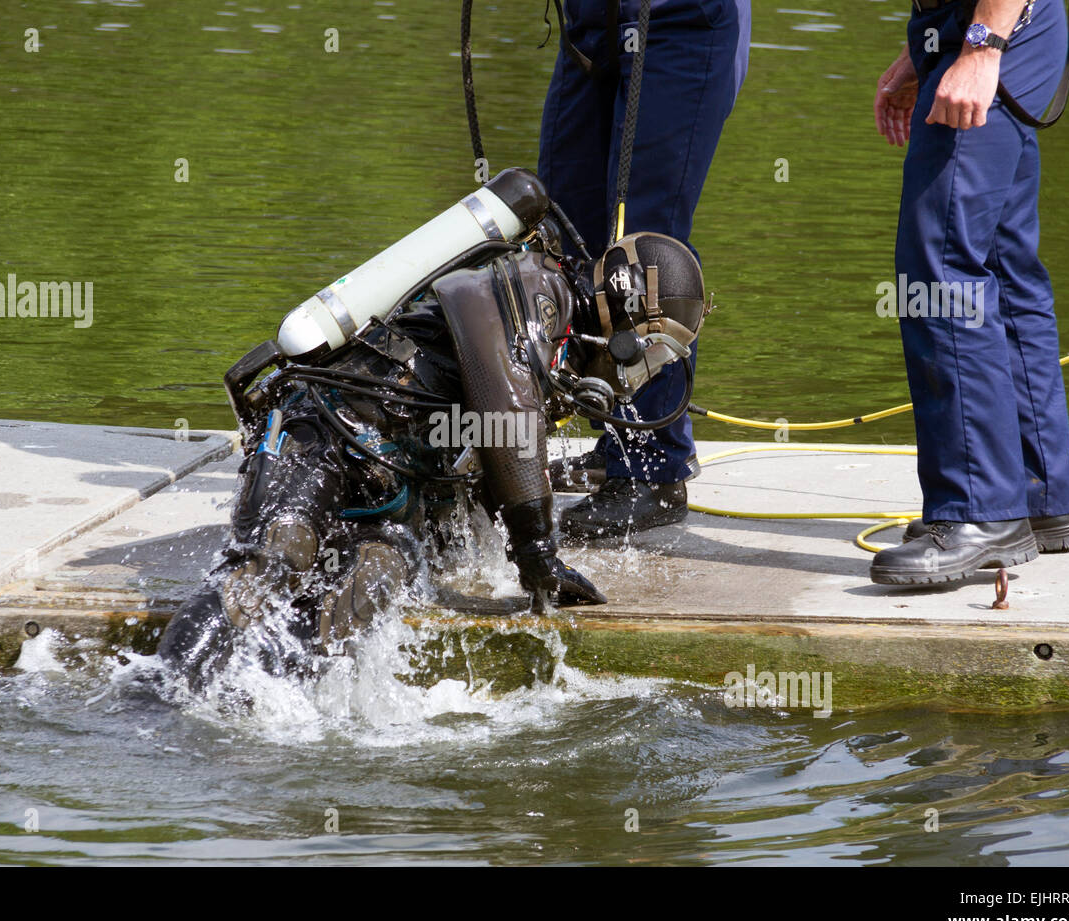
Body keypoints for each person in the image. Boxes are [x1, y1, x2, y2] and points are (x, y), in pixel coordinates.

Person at [158, 169, 708, 690]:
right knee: (273, 562)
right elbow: (505, 412)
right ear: (632, 314)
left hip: (390, 491)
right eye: (657, 352)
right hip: (318, 434)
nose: (648, 371)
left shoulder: (558, 349)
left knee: (368, 593)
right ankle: (156, 697)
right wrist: (539, 556)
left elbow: (492, 452)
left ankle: (271, 714)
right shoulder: (534, 289)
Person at [869, 0, 1069, 586]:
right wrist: (931, 50)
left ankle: (977, 512)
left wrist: (982, 47)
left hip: (998, 27)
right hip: (982, 24)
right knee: (1001, 264)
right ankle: (1039, 497)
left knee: (938, 273)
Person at [539, 0, 750, 538]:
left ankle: (653, 467)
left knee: (642, 250)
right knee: (565, 230)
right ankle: (616, 438)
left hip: (680, 21)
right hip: (592, 24)